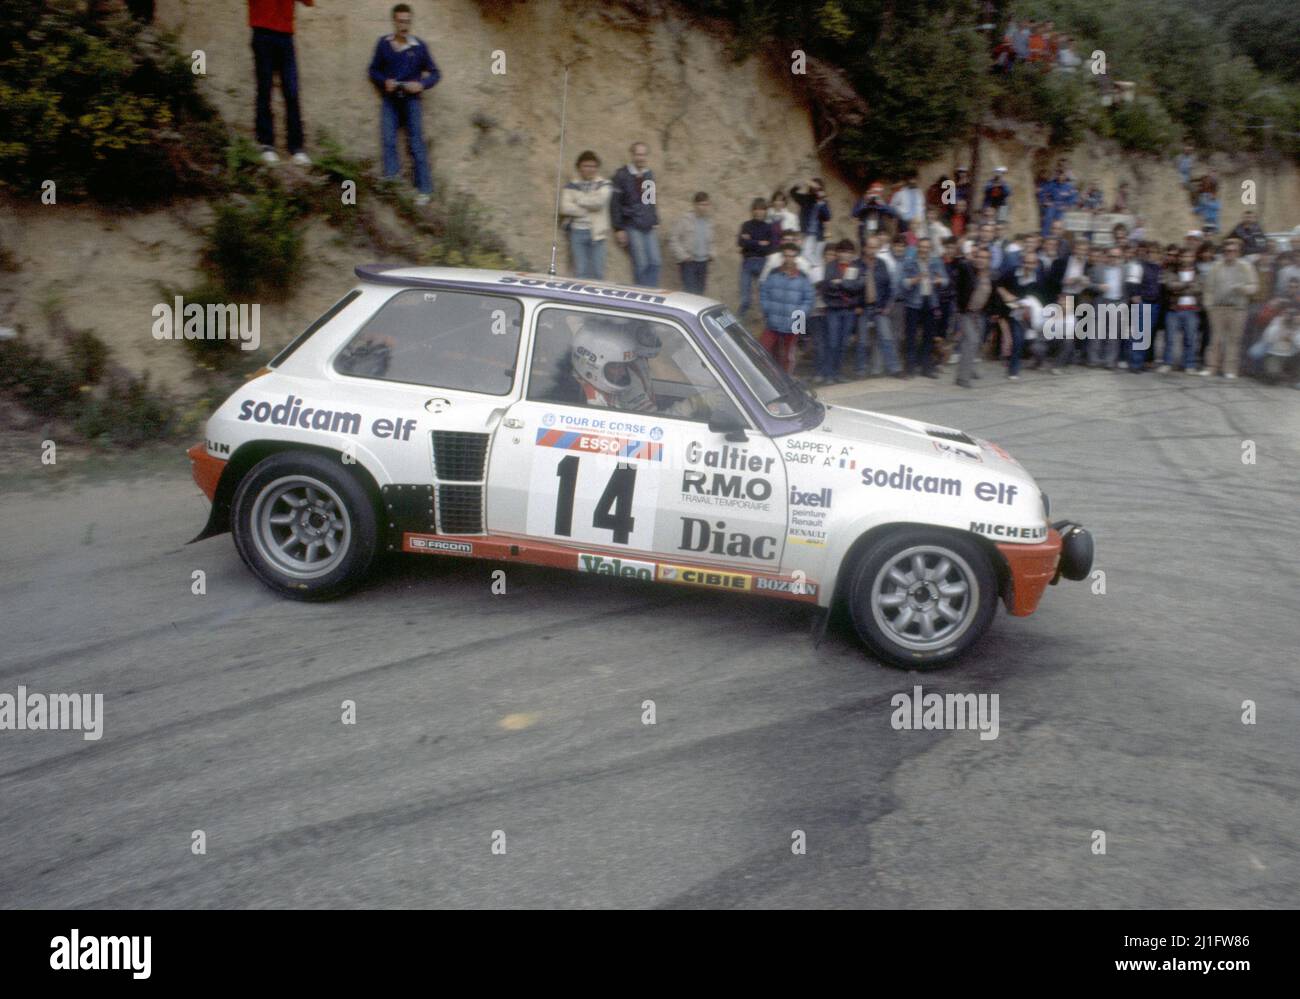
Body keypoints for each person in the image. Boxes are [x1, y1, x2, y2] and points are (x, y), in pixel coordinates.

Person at [368, 4, 441, 204]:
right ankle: (392, 182)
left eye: (407, 21)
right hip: (390, 99)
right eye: (400, 21)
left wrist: (421, 84)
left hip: (411, 100)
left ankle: (424, 190)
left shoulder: (419, 47)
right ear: (394, 21)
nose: (404, 26)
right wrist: (384, 82)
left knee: (416, 143)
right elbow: (372, 70)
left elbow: (435, 73)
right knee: (388, 140)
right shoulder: (383, 44)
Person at [569, 320, 703, 416]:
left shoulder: (630, 374)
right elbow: (653, 427)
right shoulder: (586, 403)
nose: (622, 371)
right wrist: (694, 404)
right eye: (615, 366)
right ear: (592, 365)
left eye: (623, 365)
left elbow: (650, 418)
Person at [249, 0, 314, 165]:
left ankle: (296, 148)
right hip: (262, 32)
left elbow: (308, 2)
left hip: (286, 36)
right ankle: (266, 144)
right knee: (265, 89)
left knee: (292, 91)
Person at [1204, 238, 1260, 378]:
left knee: (1234, 340)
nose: (1230, 253)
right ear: (1223, 251)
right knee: (1215, 339)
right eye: (1227, 250)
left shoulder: (1246, 266)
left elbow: (1254, 287)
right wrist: (1208, 306)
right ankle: (1212, 368)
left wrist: (1242, 289)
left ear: (1238, 252)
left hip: (1237, 308)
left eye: (1233, 250)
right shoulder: (1216, 266)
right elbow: (1208, 288)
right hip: (1218, 308)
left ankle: (1230, 370)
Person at [611, 142, 661, 287]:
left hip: (648, 225)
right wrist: (618, 228)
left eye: (644, 154)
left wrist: (654, 220)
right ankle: (643, 295)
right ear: (632, 155)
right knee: (642, 263)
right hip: (631, 224)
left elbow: (650, 200)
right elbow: (615, 203)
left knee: (656, 262)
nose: (641, 158)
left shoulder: (648, 174)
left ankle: (652, 292)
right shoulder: (622, 175)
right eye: (638, 154)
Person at [760, 244, 815, 374]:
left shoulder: (803, 277)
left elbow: (808, 300)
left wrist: (799, 316)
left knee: (789, 355)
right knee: (763, 349)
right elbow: (764, 293)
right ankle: (770, 377)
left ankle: (786, 380)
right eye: (786, 256)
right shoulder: (773, 273)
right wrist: (767, 309)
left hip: (795, 322)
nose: (789, 259)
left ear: (796, 257)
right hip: (773, 319)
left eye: (792, 256)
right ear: (782, 257)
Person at [813, 240, 862, 384]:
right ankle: (828, 374)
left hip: (849, 310)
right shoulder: (830, 266)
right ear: (838, 253)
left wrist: (841, 284)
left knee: (843, 343)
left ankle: (837, 372)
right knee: (832, 342)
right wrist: (846, 287)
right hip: (831, 310)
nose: (845, 255)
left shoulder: (855, 267)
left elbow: (857, 288)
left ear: (852, 254)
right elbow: (827, 288)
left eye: (849, 252)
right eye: (842, 251)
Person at [560, 151, 612, 280]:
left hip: (597, 234)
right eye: (586, 166)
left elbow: (599, 202)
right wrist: (585, 210)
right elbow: (565, 207)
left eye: (593, 166)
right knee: (580, 272)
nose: (590, 169)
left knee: (598, 273)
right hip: (577, 232)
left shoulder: (604, 184)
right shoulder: (571, 185)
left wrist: (578, 200)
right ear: (579, 167)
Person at [900, 237, 948, 378]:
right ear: (918, 248)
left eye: (927, 247)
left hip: (930, 302)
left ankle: (926, 368)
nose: (924, 250)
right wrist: (915, 279)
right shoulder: (910, 262)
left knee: (929, 336)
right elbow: (902, 282)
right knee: (911, 337)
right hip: (913, 303)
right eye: (922, 247)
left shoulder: (936, 262)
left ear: (930, 249)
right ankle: (909, 369)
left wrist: (940, 280)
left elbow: (946, 280)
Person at [854, 235, 901, 378]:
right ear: (864, 248)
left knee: (887, 338)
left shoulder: (882, 264)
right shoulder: (856, 265)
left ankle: (894, 369)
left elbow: (889, 287)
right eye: (870, 247)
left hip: (879, 308)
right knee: (862, 340)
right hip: (863, 308)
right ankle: (860, 370)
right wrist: (856, 305)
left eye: (875, 247)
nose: (872, 250)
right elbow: (850, 288)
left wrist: (887, 306)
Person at [1159, 249, 1203, 374]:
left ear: (1193, 258)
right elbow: (1170, 286)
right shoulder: (1171, 271)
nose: (1187, 259)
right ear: (1180, 258)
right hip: (1174, 309)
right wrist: (1188, 285)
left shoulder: (1197, 273)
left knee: (1190, 339)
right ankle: (1167, 363)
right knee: (1169, 338)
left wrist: (1180, 288)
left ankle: (1189, 364)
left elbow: (1199, 288)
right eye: (1184, 256)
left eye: (1190, 256)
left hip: (1192, 310)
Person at [954, 246, 993, 387]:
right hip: (965, 313)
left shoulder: (991, 276)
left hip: (980, 314)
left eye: (985, 258)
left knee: (973, 343)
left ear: (989, 260)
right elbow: (959, 266)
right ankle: (963, 378)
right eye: (979, 257)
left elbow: (992, 295)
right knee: (972, 341)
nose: (981, 260)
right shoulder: (968, 270)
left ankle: (968, 369)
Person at [668, 192, 713, 294]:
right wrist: (684, 256)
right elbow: (673, 238)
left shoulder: (708, 221)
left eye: (706, 204)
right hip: (689, 263)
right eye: (701, 204)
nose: (704, 207)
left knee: (701, 294)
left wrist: (711, 253)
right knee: (690, 294)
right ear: (695, 204)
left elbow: (711, 241)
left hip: (703, 262)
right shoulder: (685, 219)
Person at [737, 198, 774, 318]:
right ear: (753, 210)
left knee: (764, 299)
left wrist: (750, 241)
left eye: (762, 209)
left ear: (765, 211)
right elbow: (741, 243)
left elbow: (769, 248)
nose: (759, 212)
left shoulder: (768, 227)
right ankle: (738, 323)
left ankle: (767, 327)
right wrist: (759, 243)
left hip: (762, 263)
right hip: (747, 263)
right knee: (745, 299)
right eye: (757, 209)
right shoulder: (746, 225)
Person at [1246, 305, 1300, 386]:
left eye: (1293, 315)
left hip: (1290, 354)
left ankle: (1293, 377)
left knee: (1279, 372)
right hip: (1274, 353)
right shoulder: (1277, 321)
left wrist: (1294, 332)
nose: (1290, 318)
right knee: (1272, 377)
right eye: (1287, 314)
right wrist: (1280, 326)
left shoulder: (1297, 325)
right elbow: (1267, 338)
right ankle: (1262, 371)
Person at [790, 179, 832, 266]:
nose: (815, 190)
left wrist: (822, 201)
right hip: (807, 233)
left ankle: (818, 270)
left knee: (816, 256)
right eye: (814, 187)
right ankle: (819, 268)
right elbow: (792, 193)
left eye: (818, 188)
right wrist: (800, 183)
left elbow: (827, 217)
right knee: (805, 254)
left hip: (819, 235)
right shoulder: (806, 199)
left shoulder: (823, 202)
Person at [851, 182, 898, 248]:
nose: (874, 196)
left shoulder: (882, 202)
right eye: (874, 192)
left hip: (879, 232)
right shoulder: (863, 200)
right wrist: (865, 201)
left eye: (878, 193)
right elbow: (854, 213)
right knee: (864, 248)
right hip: (864, 231)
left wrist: (882, 204)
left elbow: (893, 214)